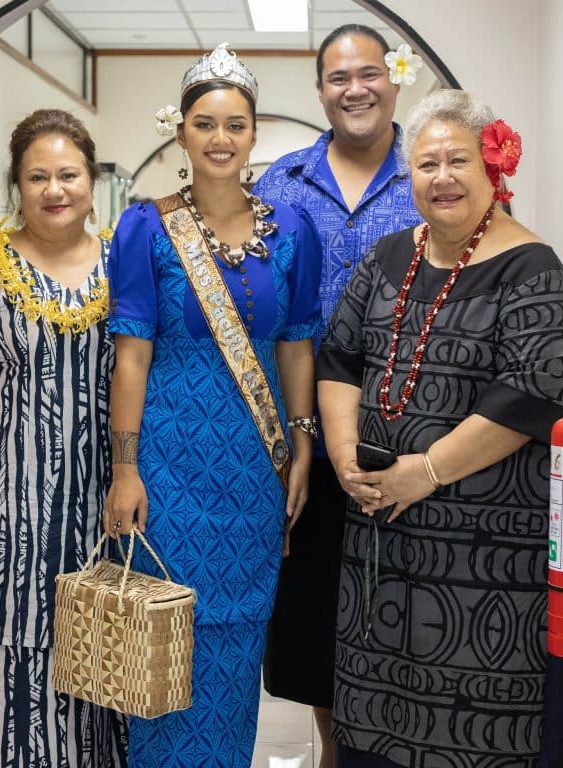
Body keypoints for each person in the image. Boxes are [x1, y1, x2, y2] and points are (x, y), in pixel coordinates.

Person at [317, 88, 563, 766]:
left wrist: (424, 472)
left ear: (492, 168)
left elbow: (529, 394)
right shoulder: (388, 257)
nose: (442, 177)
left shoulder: (532, 267)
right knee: (372, 716)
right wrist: (342, 453)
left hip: (482, 554)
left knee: (470, 725)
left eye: (458, 161)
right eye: (426, 164)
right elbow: (338, 358)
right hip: (380, 533)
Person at [107, 43, 321, 768]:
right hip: (167, 467)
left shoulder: (292, 230)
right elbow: (131, 355)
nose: (220, 138)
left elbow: (296, 345)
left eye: (235, 124)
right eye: (204, 124)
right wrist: (125, 469)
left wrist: (302, 442)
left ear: (255, 134)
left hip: (255, 468)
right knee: (163, 635)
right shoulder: (145, 227)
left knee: (236, 638)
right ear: (181, 133)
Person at [0, 109, 127, 768]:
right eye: (37, 177)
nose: (54, 190)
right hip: (5, 513)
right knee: (5, 674)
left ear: (91, 181)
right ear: (17, 184)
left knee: (104, 664)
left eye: (68, 174)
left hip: (102, 510)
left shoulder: (124, 265)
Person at [252, 25, 423, 766]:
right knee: (317, 618)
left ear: (394, 77)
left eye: (368, 73)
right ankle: (333, 752)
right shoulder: (280, 184)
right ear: (320, 90)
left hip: (411, 441)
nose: (355, 89)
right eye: (338, 77)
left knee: (402, 613)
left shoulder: (430, 173)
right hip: (307, 444)